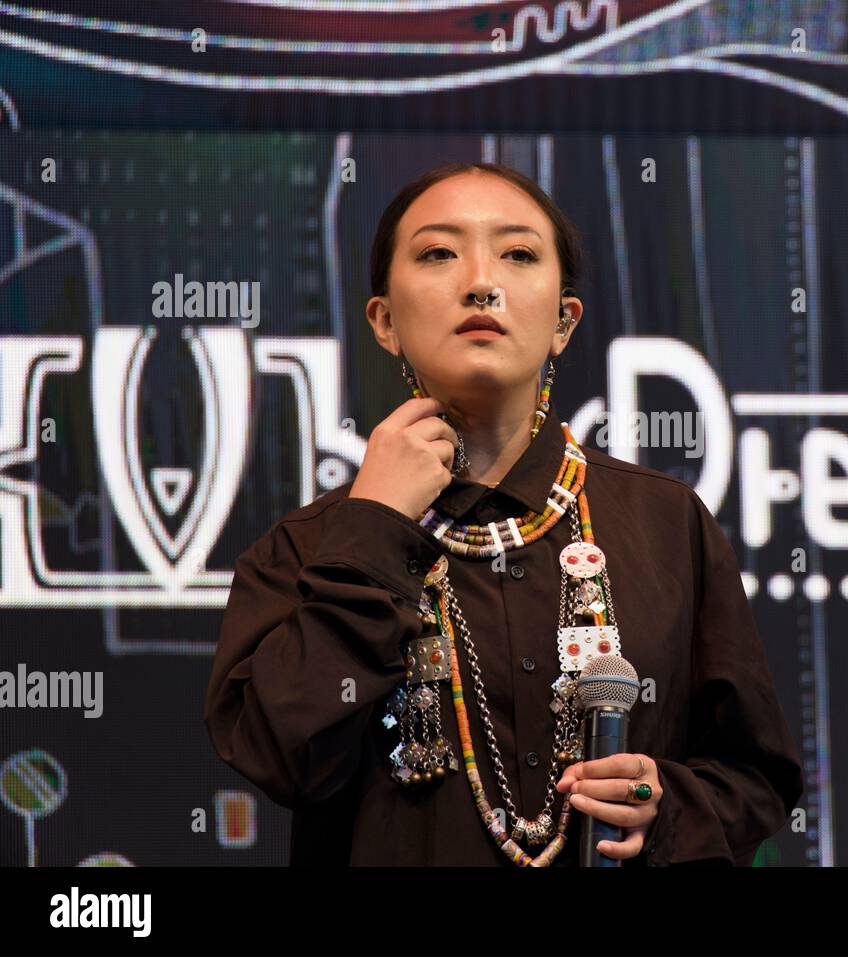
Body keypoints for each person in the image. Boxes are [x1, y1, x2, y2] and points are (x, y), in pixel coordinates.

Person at [203, 162, 803, 866]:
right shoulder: (310, 545)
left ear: (563, 322)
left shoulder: (665, 523)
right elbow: (280, 755)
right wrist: (375, 528)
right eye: (438, 253)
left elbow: (756, 779)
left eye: (518, 254)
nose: (481, 280)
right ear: (386, 321)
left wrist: (662, 803)